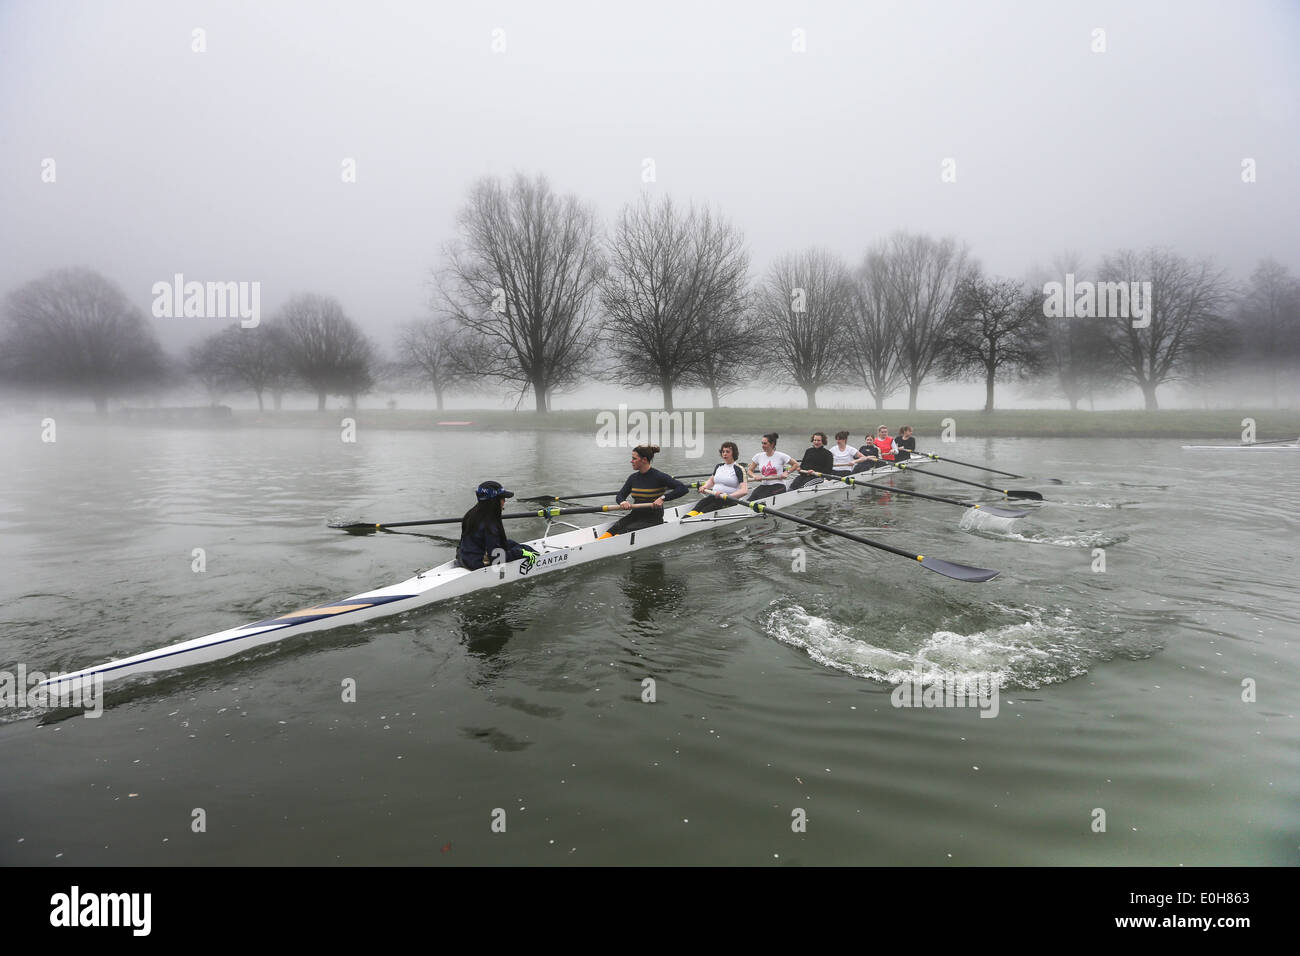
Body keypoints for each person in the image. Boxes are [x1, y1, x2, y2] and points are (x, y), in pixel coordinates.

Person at [604, 444, 690, 535]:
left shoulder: (659, 476)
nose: (631, 461)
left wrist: (663, 498)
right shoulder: (633, 478)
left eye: (634, 458)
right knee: (612, 531)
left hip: (653, 519)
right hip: (635, 515)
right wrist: (622, 502)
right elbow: (620, 495)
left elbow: (683, 488)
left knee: (622, 532)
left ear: (644, 460)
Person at [456, 481, 537, 569]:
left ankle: (531, 551)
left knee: (513, 544)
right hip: (478, 565)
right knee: (520, 550)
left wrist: (521, 549)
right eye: (502, 498)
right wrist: (520, 553)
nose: (504, 501)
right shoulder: (490, 525)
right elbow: (497, 558)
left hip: (463, 558)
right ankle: (536, 556)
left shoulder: (470, 515)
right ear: (493, 501)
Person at [688, 441, 749, 515]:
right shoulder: (719, 466)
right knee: (696, 508)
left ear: (734, 453)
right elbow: (711, 480)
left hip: (728, 500)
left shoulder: (739, 469)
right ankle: (686, 518)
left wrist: (727, 496)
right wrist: (704, 487)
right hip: (714, 496)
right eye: (723, 452)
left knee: (705, 511)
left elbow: (744, 491)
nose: (725, 454)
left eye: (727, 452)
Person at [747, 432, 798, 500]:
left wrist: (786, 472)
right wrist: (754, 476)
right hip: (764, 485)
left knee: (763, 498)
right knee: (750, 499)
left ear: (772, 444)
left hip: (778, 486)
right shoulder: (758, 456)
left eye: (765, 443)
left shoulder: (781, 456)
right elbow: (749, 471)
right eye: (762, 443)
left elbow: (796, 464)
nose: (762, 445)